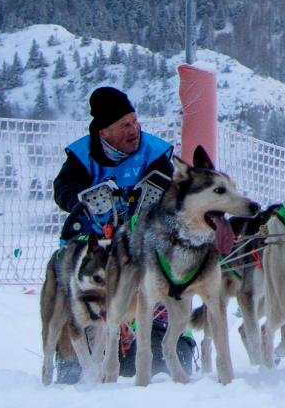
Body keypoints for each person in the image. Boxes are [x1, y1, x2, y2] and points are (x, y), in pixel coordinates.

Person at [50, 86, 194, 381]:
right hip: (95, 246)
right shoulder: (81, 157)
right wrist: (85, 200)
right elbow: (64, 191)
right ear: (104, 133)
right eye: (124, 125)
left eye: (134, 121)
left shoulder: (153, 153)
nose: (134, 130)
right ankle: (73, 359)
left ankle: (170, 342)